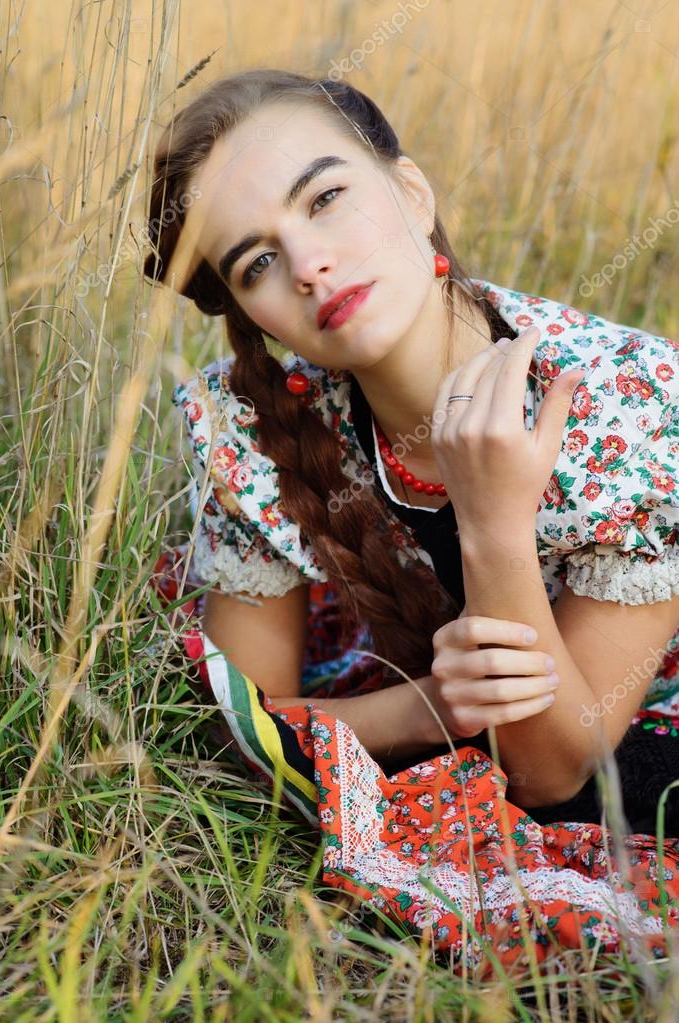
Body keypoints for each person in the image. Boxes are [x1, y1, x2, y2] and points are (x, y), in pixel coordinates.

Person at [145, 68, 679, 976]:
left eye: (326, 198)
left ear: (411, 191)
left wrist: (495, 525)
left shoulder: (626, 401)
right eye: (258, 263)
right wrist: (426, 707)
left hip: (629, 709)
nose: (308, 263)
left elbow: (554, 770)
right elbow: (248, 726)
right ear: (249, 311)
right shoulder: (254, 429)